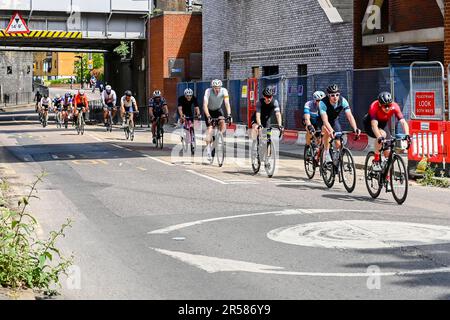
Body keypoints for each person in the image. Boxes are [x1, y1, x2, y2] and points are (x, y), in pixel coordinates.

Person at [363, 91, 411, 172]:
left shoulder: (395, 106)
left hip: (383, 124)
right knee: (382, 135)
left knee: (388, 154)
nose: (387, 108)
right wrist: (380, 138)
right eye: (385, 106)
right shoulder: (374, 106)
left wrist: (407, 135)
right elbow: (374, 126)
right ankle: (376, 160)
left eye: (389, 105)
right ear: (380, 105)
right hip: (370, 124)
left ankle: (386, 178)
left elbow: (403, 122)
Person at [319, 84, 361, 163]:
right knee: (327, 131)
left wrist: (355, 128)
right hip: (322, 120)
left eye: (337, 95)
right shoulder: (323, 102)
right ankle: (326, 153)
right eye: (332, 95)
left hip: (334, 120)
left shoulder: (343, 101)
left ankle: (337, 160)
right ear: (328, 95)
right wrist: (331, 130)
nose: (335, 97)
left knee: (338, 142)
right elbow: (325, 120)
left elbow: (349, 116)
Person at [203, 79, 233, 160]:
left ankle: (218, 137)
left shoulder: (224, 91)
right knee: (210, 129)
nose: (217, 89)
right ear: (212, 87)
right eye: (215, 88)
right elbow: (205, 105)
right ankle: (209, 149)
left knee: (223, 122)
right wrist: (208, 116)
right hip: (209, 111)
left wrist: (229, 114)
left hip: (218, 110)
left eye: (219, 88)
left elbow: (227, 103)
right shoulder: (208, 91)